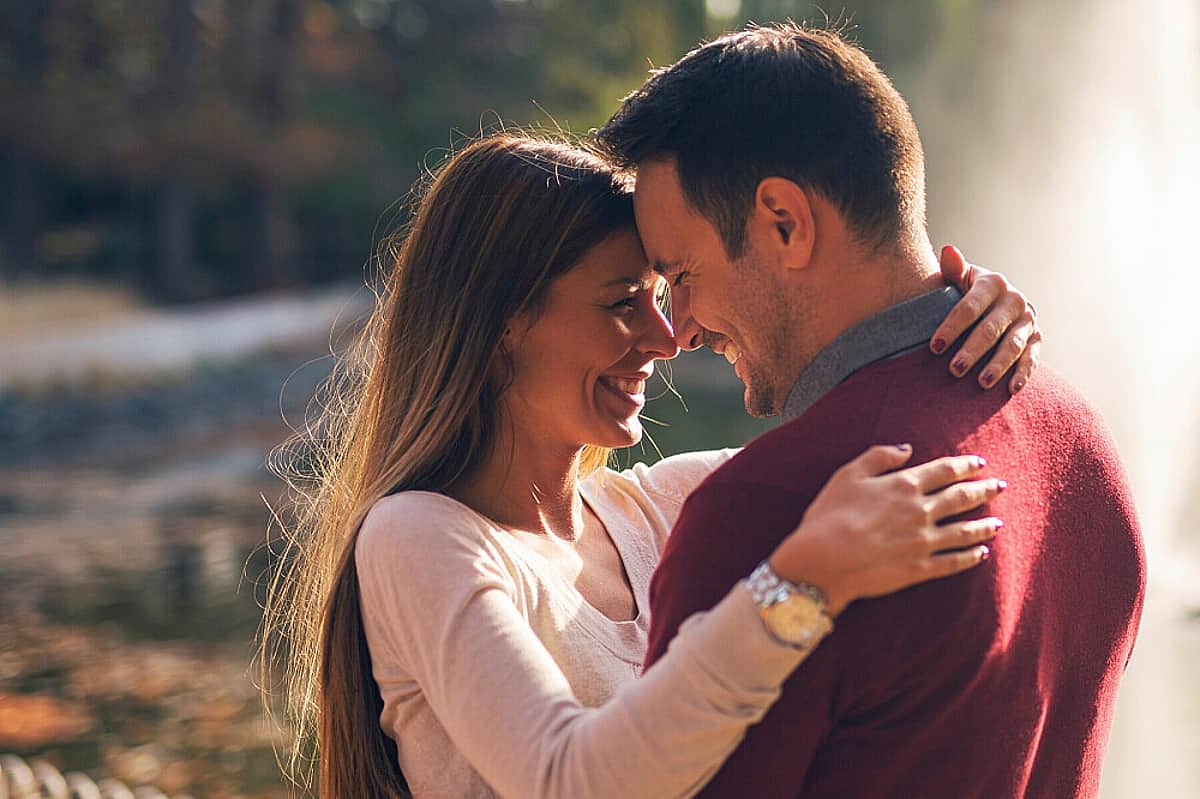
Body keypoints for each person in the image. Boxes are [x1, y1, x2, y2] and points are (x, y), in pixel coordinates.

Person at [262, 134, 1040, 799]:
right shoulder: (418, 537)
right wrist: (803, 584)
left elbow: (868, 439)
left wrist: (961, 321)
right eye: (622, 302)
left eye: (664, 296)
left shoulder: (669, 505)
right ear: (502, 323)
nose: (666, 338)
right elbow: (571, 777)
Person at [596, 22, 1146, 798]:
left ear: (784, 223)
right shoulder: (1084, 445)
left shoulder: (771, 513)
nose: (678, 328)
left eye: (681, 275)